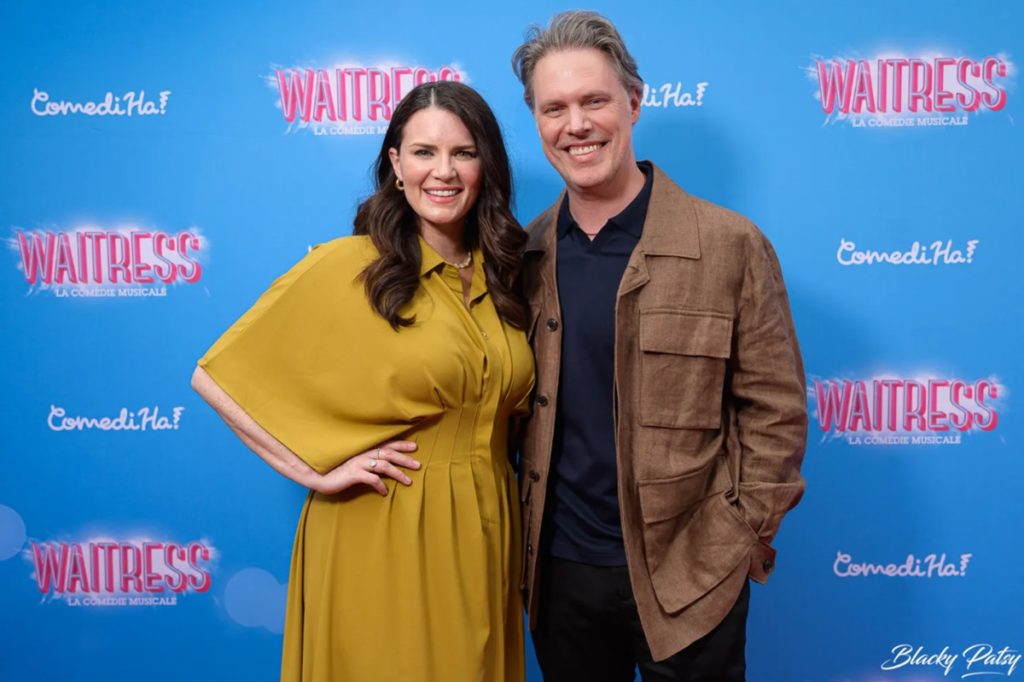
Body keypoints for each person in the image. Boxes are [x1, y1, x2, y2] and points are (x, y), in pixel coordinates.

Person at [191, 80, 533, 682]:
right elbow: (215, 376)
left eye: (464, 152)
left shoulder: (501, 273)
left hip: (487, 524)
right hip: (384, 525)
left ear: (486, 165)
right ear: (396, 165)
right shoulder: (352, 264)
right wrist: (312, 470)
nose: (443, 171)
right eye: (424, 152)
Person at [511, 11, 807, 682]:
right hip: (560, 581)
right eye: (554, 108)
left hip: (691, 581)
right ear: (536, 121)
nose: (576, 124)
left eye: (594, 100)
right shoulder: (520, 257)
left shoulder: (730, 244)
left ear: (635, 102)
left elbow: (777, 413)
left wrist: (733, 543)